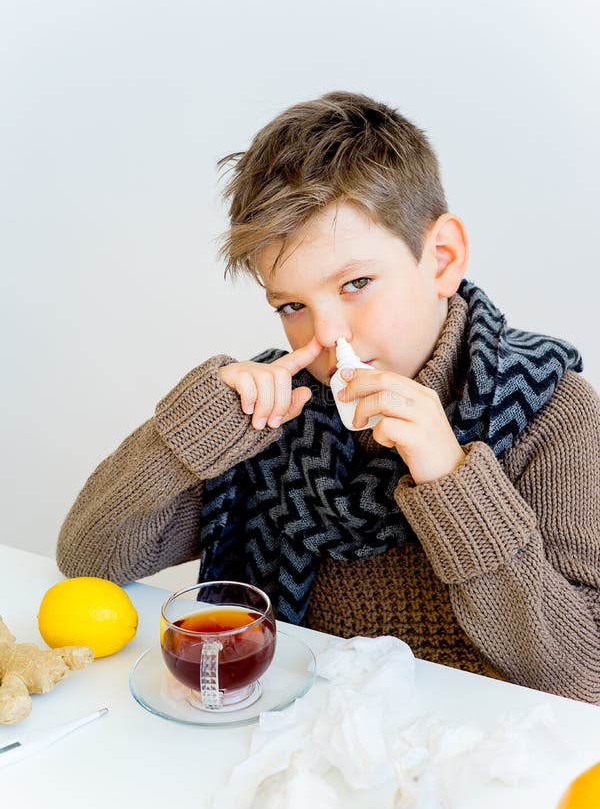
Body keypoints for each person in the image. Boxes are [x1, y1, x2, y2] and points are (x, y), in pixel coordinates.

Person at [56, 91, 600, 703]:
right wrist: (184, 436)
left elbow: (585, 673)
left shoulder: (555, 413)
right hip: (301, 745)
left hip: (475, 761)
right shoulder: (271, 413)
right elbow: (90, 559)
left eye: (357, 284)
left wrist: (452, 481)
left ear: (441, 259)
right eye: (293, 306)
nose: (327, 337)